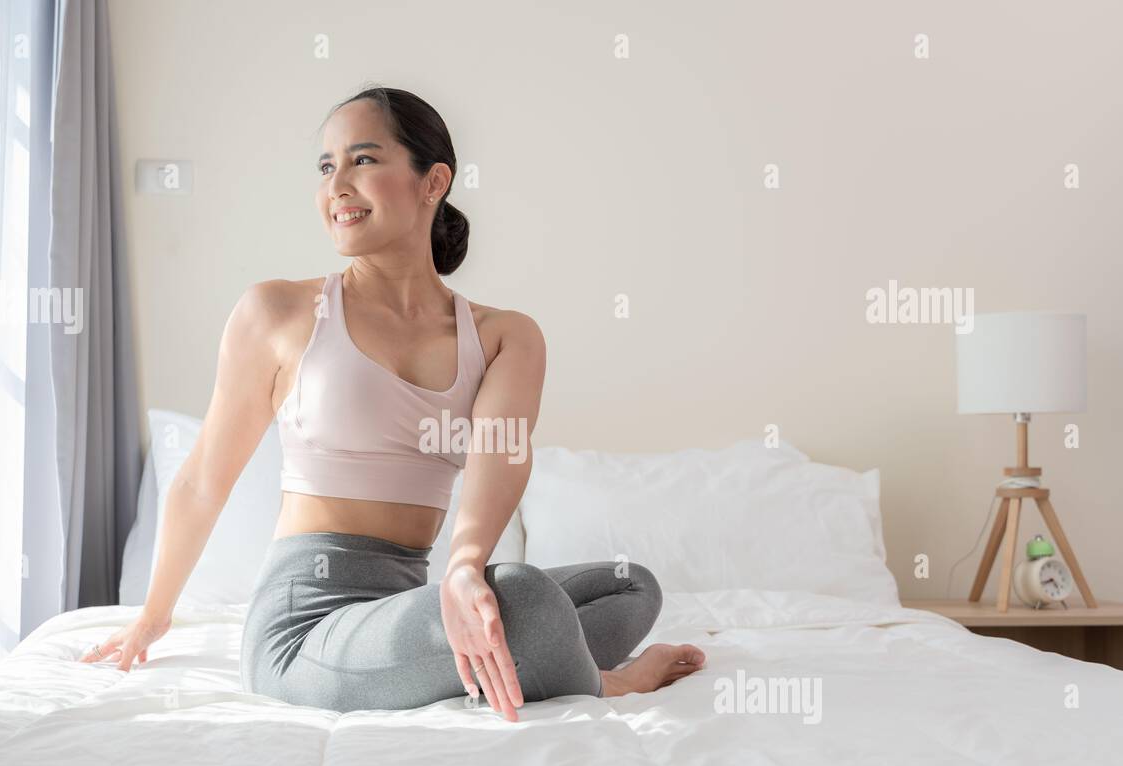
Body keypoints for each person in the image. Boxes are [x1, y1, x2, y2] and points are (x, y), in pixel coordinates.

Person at [82, 87, 706, 722]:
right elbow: (201, 480)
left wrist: (464, 567)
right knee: (525, 598)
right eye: (326, 166)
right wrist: (152, 616)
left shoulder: (503, 336)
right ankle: (609, 684)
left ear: (433, 181)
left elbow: (500, 457)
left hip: (409, 603)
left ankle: (499, 653)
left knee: (629, 585)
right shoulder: (278, 312)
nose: (337, 186)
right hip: (305, 629)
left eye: (362, 160)